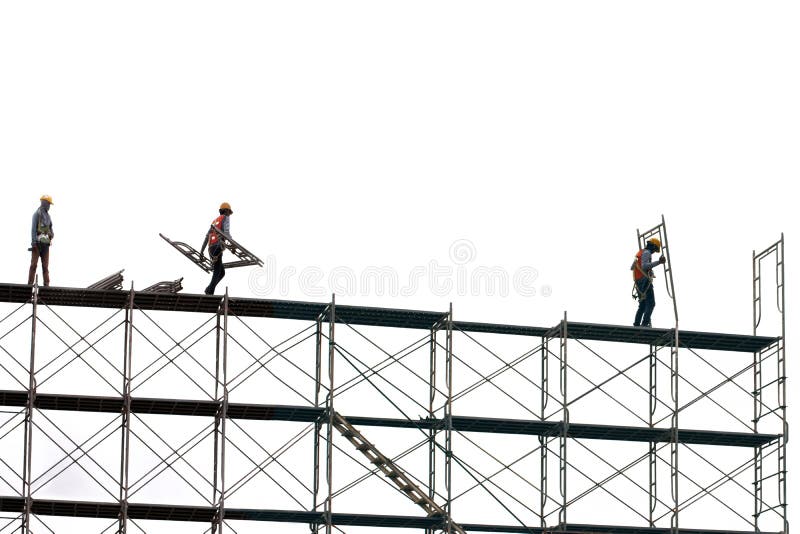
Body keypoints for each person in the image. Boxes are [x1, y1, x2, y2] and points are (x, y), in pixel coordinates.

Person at [632, 237, 666, 327]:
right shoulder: (647, 253)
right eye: (655, 249)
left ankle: (636, 324)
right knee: (651, 303)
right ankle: (644, 324)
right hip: (644, 281)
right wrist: (659, 262)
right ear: (653, 246)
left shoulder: (641, 252)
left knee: (643, 305)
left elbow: (634, 267)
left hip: (639, 282)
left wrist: (650, 271)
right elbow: (644, 266)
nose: (654, 252)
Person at [200, 202, 233, 295]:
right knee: (217, 271)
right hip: (218, 248)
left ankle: (208, 288)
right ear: (226, 211)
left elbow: (207, 237)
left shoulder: (214, 222)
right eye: (229, 212)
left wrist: (201, 251)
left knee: (221, 272)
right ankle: (210, 292)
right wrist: (232, 243)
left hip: (211, 249)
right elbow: (226, 231)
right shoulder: (225, 218)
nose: (229, 214)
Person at [28, 195, 55, 286]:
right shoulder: (36, 214)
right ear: (44, 203)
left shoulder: (49, 217)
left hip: (46, 246)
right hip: (37, 244)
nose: (49, 206)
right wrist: (34, 242)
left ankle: (46, 285)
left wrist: (51, 235)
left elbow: (51, 230)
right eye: (48, 204)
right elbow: (33, 229)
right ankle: (30, 284)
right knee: (33, 265)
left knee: (45, 267)